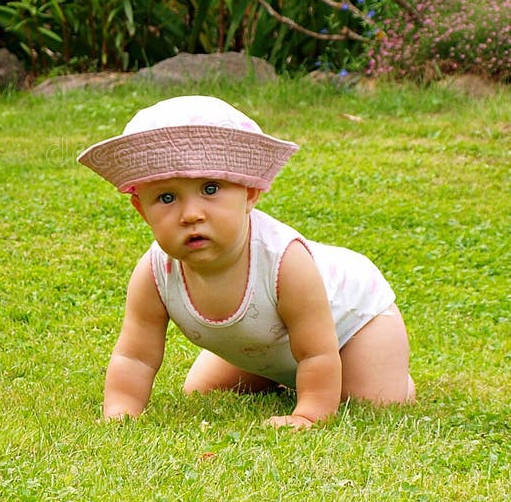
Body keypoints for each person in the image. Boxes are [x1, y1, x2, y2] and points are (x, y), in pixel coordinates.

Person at [78, 95, 415, 429]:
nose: (191, 214)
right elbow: (134, 356)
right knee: (202, 389)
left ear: (250, 193)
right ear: (142, 210)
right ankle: (280, 375)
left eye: (211, 189)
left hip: (354, 325)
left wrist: (308, 414)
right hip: (267, 345)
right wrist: (120, 410)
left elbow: (317, 352)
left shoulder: (284, 261)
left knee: (371, 398)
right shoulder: (155, 273)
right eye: (166, 197)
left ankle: (390, 377)